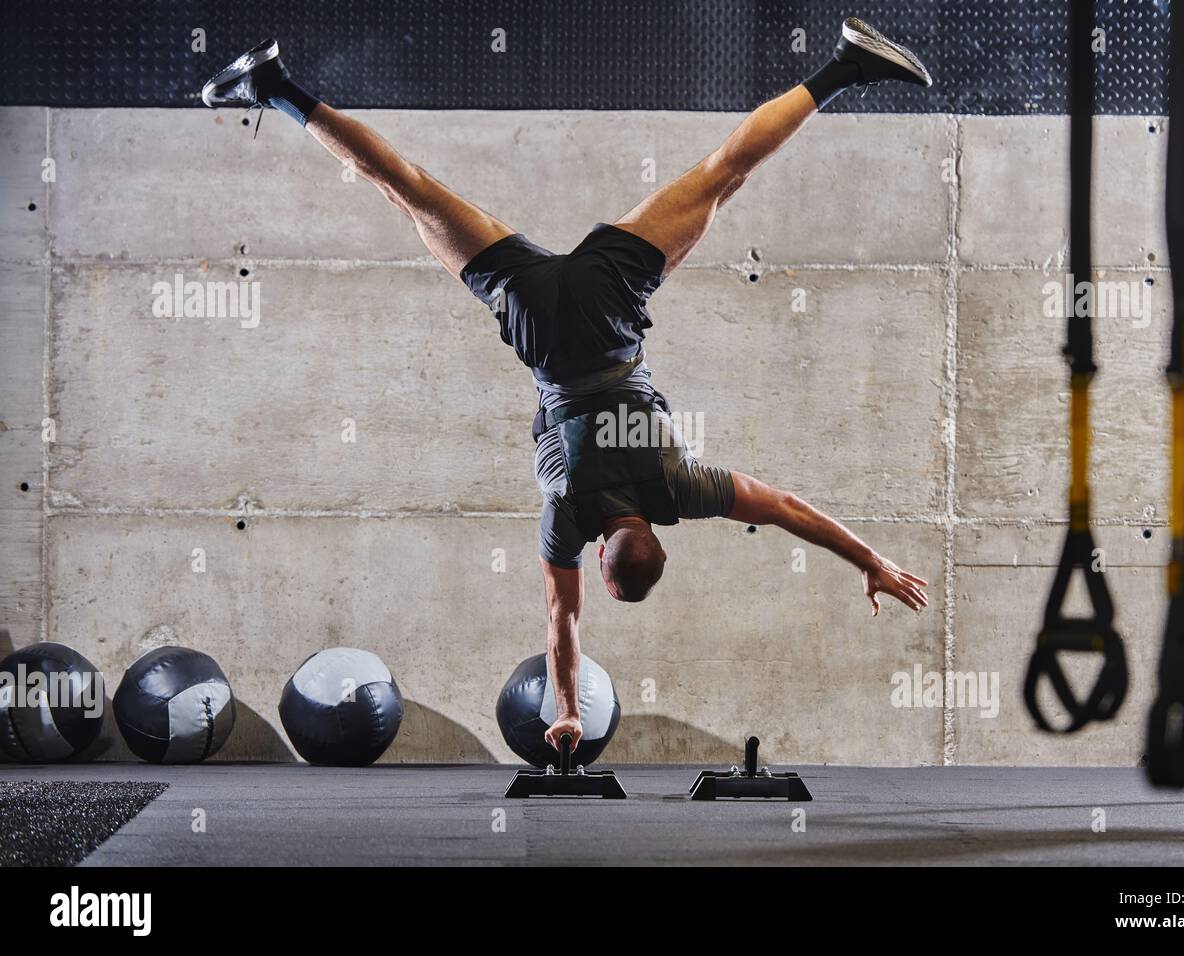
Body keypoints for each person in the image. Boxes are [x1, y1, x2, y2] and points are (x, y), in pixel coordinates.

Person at [202, 17, 933, 754]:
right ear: (606, 572)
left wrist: (872, 559)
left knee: (722, 174)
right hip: (541, 327)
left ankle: (843, 67)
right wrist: (569, 712)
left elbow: (787, 508)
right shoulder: (568, 515)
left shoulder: (681, 489)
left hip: (610, 302)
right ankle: (274, 86)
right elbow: (562, 626)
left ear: (662, 547)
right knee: (406, 190)